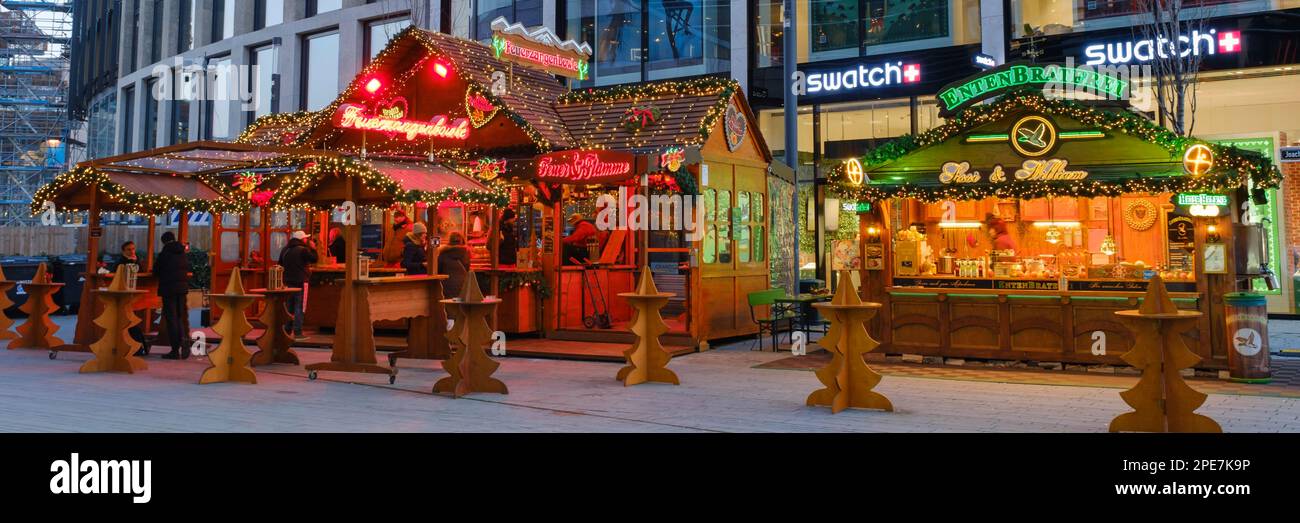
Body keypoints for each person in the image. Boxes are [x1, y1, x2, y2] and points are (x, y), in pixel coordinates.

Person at [154, 232, 191, 360]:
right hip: (182, 289)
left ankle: (175, 349)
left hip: (168, 289)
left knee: (171, 318)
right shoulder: (182, 253)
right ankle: (185, 339)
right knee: (180, 316)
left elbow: (156, 271)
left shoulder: (165, 253)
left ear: (163, 241)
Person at [278, 230, 318, 340]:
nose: (306, 240)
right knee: (300, 307)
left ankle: (287, 331)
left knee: (289, 307)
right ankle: (298, 332)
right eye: (305, 238)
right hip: (301, 281)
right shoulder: (303, 250)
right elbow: (314, 259)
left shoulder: (285, 250)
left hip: (287, 282)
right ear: (302, 239)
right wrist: (313, 248)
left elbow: (280, 264)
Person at [111, 241, 147, 355]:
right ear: (123, 251)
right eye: (129, 249)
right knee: (129, 321)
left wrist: (136, 262)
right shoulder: (120, 262)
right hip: (123, 295)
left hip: (133, 294)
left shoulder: (135, 260)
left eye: (133, 249)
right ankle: (136, 346)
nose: (132, 251)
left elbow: (141, 272)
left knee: (132, 321)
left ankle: (138, 346)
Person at [437, 231, 471, 298]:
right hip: (463, 284)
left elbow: (438, 269)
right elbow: (467, 268)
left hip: (447, 285)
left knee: (449, 304)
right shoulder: (465, 253)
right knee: (460, 304)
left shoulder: (443, 252)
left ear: (450, 241)